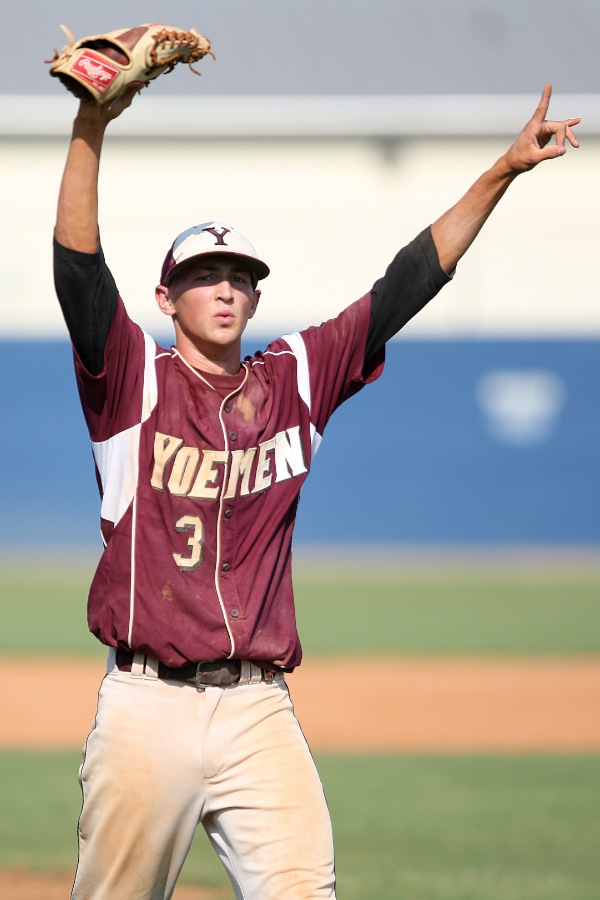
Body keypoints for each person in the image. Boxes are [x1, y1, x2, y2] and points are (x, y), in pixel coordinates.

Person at [53, 83, 578, 900]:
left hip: (260, 710)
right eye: (204, 276)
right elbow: (79, 273)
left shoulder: (295, 377)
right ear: (166, 300)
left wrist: (503, 170)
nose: (225, 289)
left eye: (240, 277)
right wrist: (89, 126)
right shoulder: (131, 383)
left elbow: (406, 284)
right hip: (148, 707)